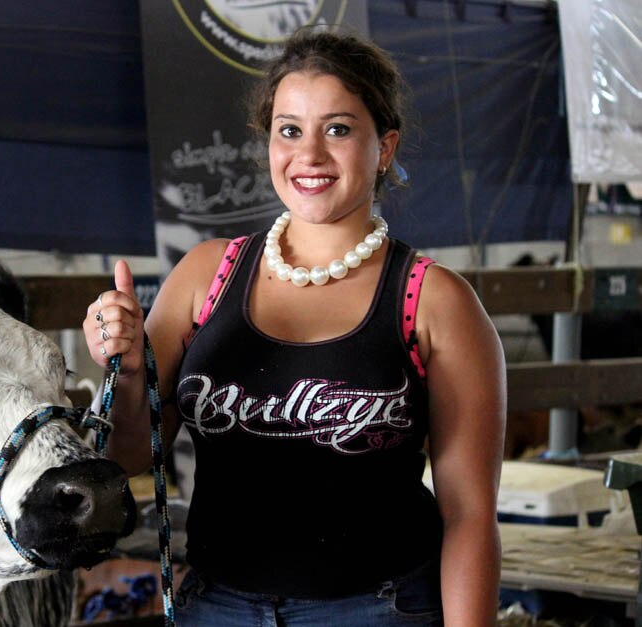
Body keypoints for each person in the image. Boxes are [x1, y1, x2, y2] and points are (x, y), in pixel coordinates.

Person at [83, 27, 505, 627]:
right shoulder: (206, 274)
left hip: (378, 611)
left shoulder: (435, 300)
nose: (309, 155)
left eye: (338, 129)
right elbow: (127, 454)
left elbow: (469, 516)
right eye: (289, 130)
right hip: (216, 608)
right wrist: (124, 366)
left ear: (384, 148)